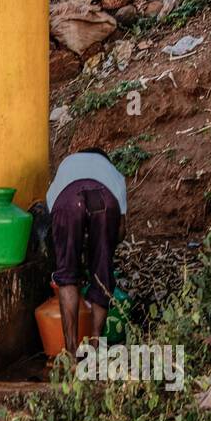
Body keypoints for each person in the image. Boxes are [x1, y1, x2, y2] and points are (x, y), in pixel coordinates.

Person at [46, 146, 127, 356]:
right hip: (105, 199)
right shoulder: (113, 173)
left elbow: (53, 216)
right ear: (105, 159)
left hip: (68, 200)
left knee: (67, 275)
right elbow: (120, 231)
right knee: (102, 273)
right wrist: (100, 249)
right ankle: (96, 345)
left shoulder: (66, 164)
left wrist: (74, 248)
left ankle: (71, 353)